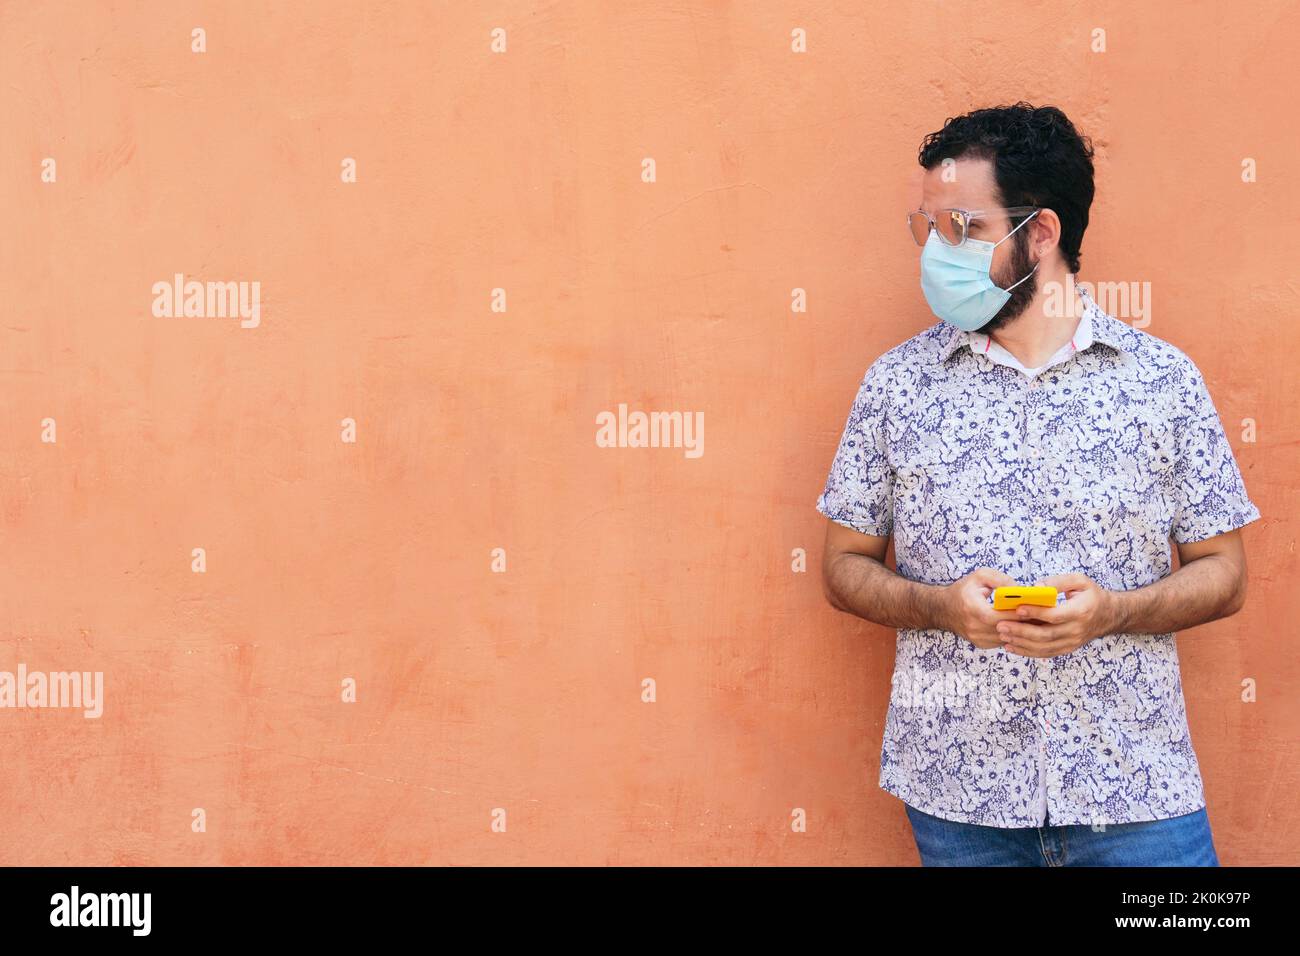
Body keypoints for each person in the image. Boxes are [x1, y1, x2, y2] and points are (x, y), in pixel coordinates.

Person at [816, 103, 1260, 866]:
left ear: (1042, 234)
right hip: (959, 797)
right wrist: (938, 608)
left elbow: (1225, 575)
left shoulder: (1163, 384)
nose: (935, 252)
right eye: (928, 228)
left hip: (1135, 792)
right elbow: (840, 566)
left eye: (962, 228)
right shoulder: (896, 386)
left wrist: (1114, 613)